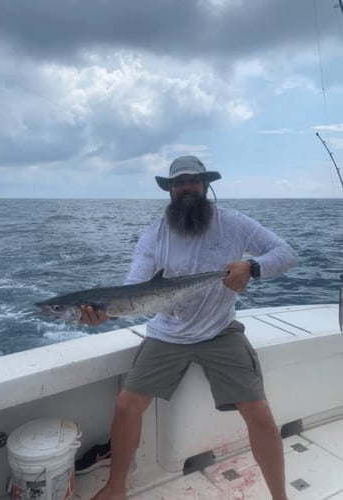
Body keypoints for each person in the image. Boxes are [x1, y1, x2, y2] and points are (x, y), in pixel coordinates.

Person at [81, 155, 297, 500]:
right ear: (169, 190)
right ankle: (115, 488)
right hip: (167, 332)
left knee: (258, 411)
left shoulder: (234, 223)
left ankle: (280, 497)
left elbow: (286, 253)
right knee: (125, 405)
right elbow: (135, 284)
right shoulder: (154, 235)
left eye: (192, 181)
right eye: (178, 183)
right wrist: (108, 310)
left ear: (206, 185)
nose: (186, 188)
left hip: (220, 331)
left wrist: (252, 267)